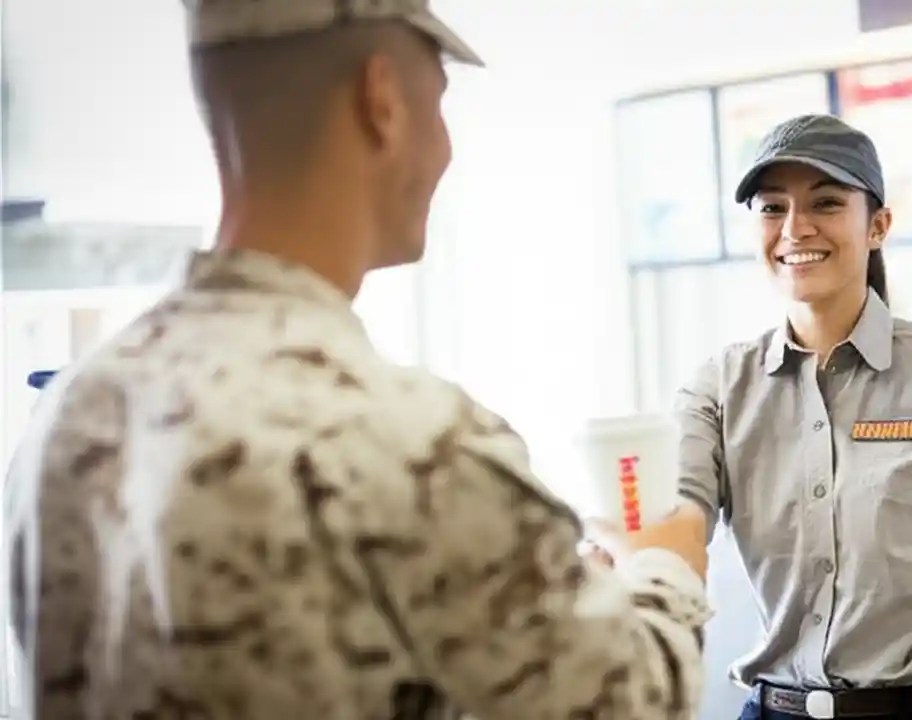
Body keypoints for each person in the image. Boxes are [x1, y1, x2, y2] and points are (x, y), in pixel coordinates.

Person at [2, 3, 711, 718]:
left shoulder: (70, 418)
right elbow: (631, 705)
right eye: (438, 101)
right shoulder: (410, 439)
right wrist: (666, 570)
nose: (444, 146)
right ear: (383, 102)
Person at [676, 115, 912, 720]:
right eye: (773, 208)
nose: (795, 228)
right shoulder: (721, 387)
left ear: (878, 225)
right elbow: (676, 526)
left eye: (826, 202)